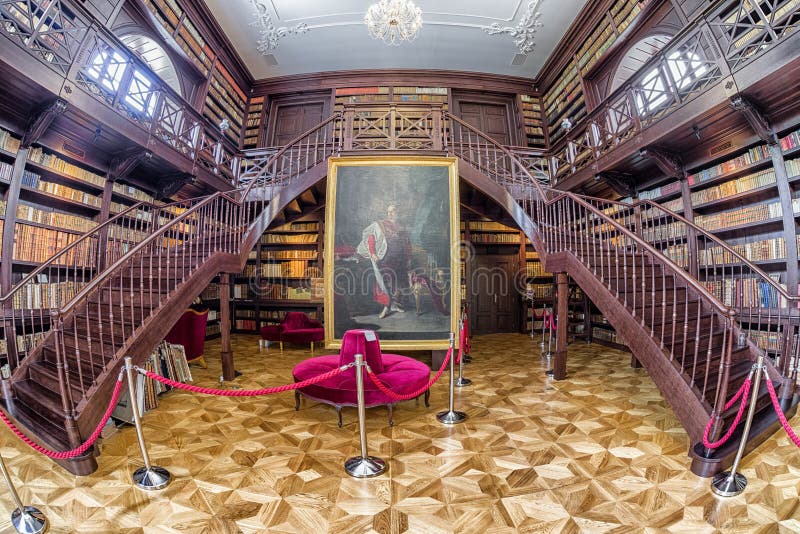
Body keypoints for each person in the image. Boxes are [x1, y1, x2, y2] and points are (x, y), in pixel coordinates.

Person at [356, 204, 412, 318]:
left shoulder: (402, 227)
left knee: (399, 282)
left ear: (398, 212)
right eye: (388, 211)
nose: (390, 213)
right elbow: (371, 238)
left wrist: (409, 258)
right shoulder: (380, 224)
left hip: (400, 259)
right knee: (385, 281)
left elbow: (407, 244)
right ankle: (387, 306)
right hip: (386, 258)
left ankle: (395, 305)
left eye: (392, 211)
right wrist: (373, 253)